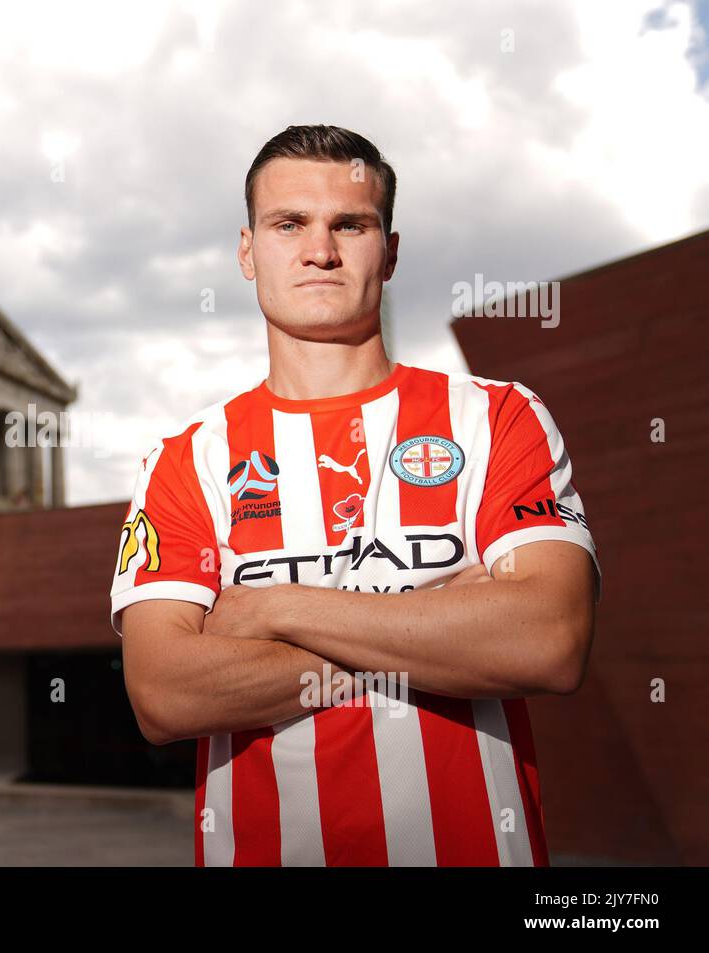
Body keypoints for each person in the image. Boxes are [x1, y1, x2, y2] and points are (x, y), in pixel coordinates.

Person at [109, 125, 600, 867]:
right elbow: (164, 694)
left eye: (351, 224)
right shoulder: (185, 460)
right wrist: (439, 619)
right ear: (247, 252)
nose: (320, 250)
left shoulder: (499, 418)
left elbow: (549, 639)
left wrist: (273, 608)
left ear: (390, 251)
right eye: (288, 224)